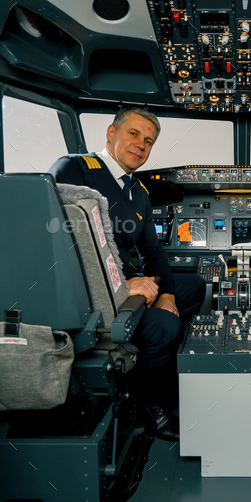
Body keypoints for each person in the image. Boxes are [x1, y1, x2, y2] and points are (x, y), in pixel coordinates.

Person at [49, 107, 206, 441]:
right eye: (134, 134)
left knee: (193, 286)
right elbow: (60, 248)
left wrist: (165, 294)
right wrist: (121, 285)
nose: (141, 145)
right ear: (111, 132)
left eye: (148, 141)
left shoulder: (138, 192)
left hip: (124, 288)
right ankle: (147, 403)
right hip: (89, 297)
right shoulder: (74, 169)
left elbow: (154, 251)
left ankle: (160, 367)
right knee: (166, 326)